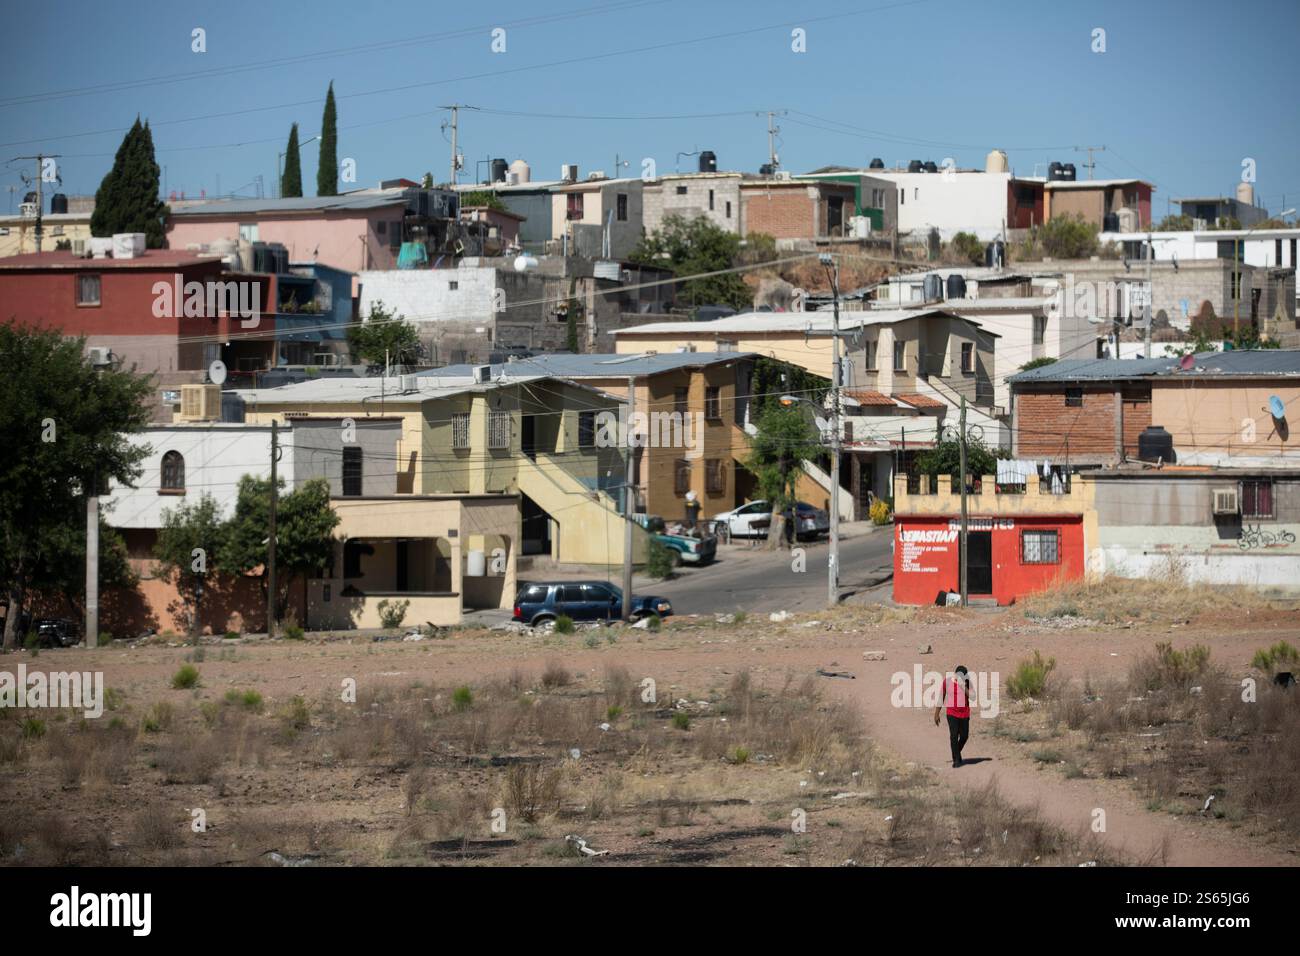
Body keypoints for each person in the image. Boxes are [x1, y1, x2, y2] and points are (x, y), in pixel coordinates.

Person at [933, 665, 972, 768]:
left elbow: (972, 697)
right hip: (952, 713)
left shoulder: (967, 683)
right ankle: (956, 760)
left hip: (964, 713)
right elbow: (941, 697)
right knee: (954, 736)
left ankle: (956, 752)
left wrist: (963, 686)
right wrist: (937, 713)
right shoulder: (947, 682)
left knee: (964, 736)